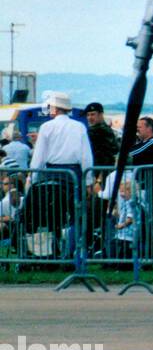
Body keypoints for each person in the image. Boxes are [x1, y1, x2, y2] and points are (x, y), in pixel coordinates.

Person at [26, 92, 93, 258]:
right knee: (76, 214)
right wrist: (89, 180)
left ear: (55, 108)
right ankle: (72, 252)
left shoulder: (46, 127)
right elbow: (86, 156)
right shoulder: (79, 127)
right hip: (74, 175)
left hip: (51, 174)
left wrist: (32, 178)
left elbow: (38, 157)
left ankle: (51, 251)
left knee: (52, 213)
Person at [83, 102, 120, 167]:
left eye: (92, 114)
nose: (89, 118)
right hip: (102, 166)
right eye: (88, 115)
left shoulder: (98, 130)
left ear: (101, 115)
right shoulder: (105, 129)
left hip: (100, 168)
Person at [109, 174, 137, 259]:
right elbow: (124, 215)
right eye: (120, 192)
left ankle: (125, 265)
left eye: (123, 192)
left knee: (126, 251)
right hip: (124, 233)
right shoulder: (126, 201)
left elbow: (130, 218)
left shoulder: (131, 203)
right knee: (121, 249)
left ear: (130, 191)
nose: (121, 194)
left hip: (129, 233)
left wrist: (122, 225)